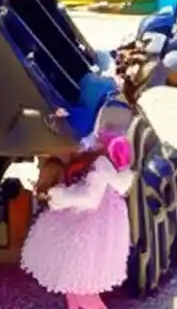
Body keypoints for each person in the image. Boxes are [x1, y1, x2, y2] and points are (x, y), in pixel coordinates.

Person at [21, 77, 137, 309]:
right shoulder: (90, 151)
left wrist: (61, 196)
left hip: (89, 229)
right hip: (76, 223)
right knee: (71, 287)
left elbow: (90, 198)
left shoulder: (102, 163)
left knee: (82, 290)